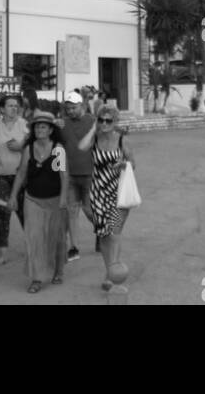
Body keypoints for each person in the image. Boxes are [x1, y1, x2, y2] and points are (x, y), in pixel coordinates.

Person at [10, 111, 70, 293]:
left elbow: (64, 175)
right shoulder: (29, 148)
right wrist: (13, 195)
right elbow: (21, 173)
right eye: (37, 126)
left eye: (43, 126)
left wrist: (63, 198)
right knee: (34, 239)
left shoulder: (58, 149)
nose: (39, 129)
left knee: (56, 238)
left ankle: (58, 270)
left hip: (54, 200)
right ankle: (37, 278)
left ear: (51, 130)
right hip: (32, 199)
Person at [78, 105, 136, 290]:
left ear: (115, 122)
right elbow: (81, 147)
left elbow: (133, 164)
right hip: (98, 193)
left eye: (108, 120)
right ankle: (109, 270)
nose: (104, 123)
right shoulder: (94, 139)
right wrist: (93, 128)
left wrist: (123, 164)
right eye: (101, 119)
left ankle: (114, 271)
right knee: (103, 235)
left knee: (115, 233)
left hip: (119, 193)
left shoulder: (122, 140)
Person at [0, 94, 28, 264]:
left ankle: (32, 246)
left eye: (16, 105)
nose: (14, 108)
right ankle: (2, 252)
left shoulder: (24, 126)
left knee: (24, 212)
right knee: (3, 214)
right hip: (0, 176)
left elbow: (32, 146)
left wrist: (22, 145)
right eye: (10, 105)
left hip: (21, 176)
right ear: (2, 109)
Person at [56, 90, 96, 262]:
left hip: (89, 174)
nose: (70, 111)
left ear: (82, 106)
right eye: (68, 108)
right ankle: (74, 247)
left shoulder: (92, 121)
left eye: (73, 108)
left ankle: (101, 232)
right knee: (72, 211)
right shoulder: (62, 124)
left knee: (88, 210)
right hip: (70, 175)